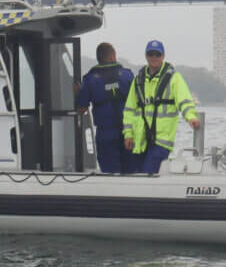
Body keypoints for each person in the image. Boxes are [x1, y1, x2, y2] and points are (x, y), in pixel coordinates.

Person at [123, 40, 201, 174]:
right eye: (150, 54)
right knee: (138, 176)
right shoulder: (138, 80)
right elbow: (129, 109)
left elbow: (184, 100)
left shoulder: (174, 78)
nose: (154, 57)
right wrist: (128, 135)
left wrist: (191, 117)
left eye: (157, 54)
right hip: (140, 140)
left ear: (163, 56)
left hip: (162, 141)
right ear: (146, 56)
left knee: (149, 174)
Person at [75, 41, 135, 173]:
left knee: (110, 174)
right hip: (129, 133)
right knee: (131, 173)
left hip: (105, 135)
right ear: (112, 56)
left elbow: (82, 109)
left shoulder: (90, 79)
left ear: (99, 58)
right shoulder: (128, 75)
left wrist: (78, 93)